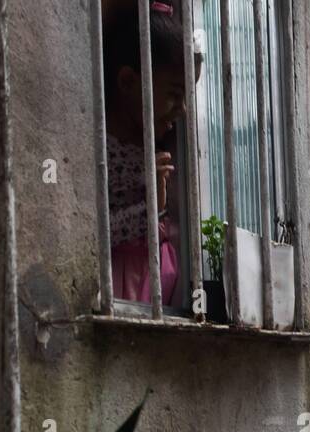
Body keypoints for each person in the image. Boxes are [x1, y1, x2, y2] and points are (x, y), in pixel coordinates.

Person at [102, 0, 192, 305]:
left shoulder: (152, 146)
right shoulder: (103, 153)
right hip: (123, 295)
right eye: (174, 94)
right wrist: (151, 207)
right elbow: (94, 234)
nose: (182, 110)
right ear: (128, 81)